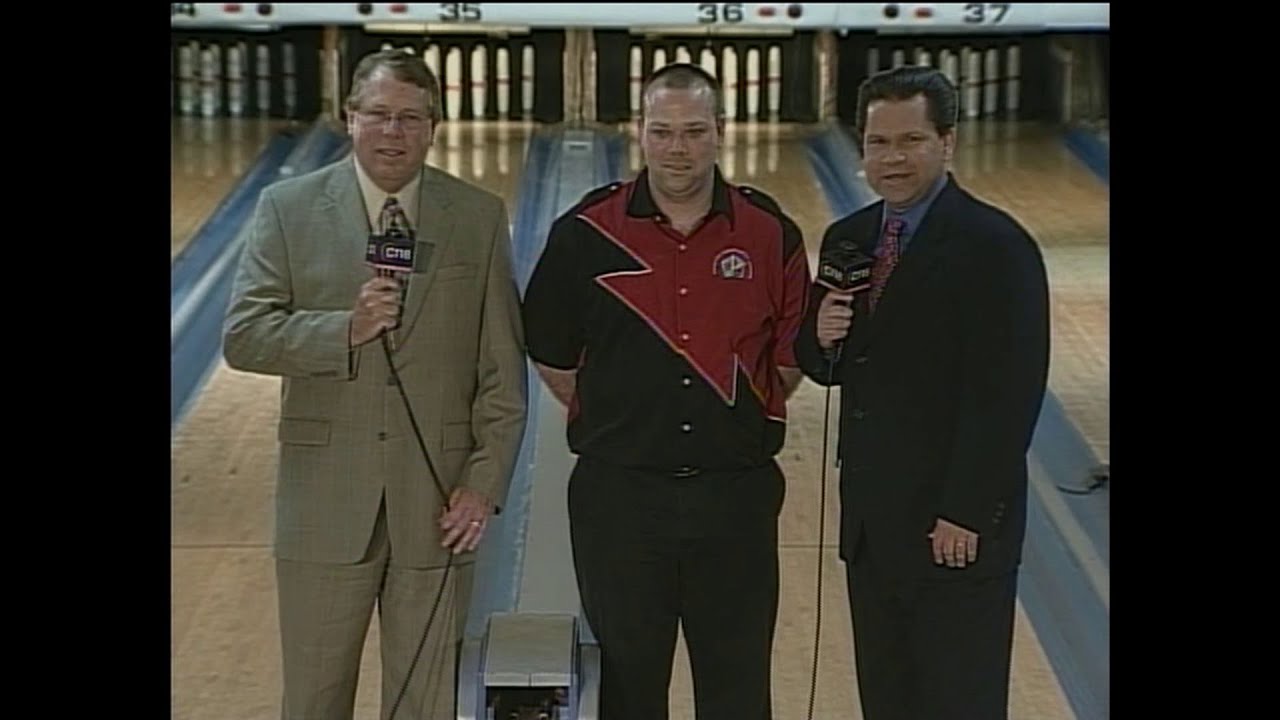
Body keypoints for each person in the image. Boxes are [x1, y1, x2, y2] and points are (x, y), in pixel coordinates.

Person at [222, 49, 527, 720]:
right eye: (380, 115)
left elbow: (503, 372)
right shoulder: (288, 208)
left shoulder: (475, 215)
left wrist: (485, 481)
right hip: (325, 504)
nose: (395, 133)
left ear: (434, 127)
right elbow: (244, 335)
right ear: (350, 118)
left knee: (427, 703)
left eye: (412, 118)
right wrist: (342, 330)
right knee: (314, 699)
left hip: (439, 502)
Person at [521, 63, 811, 720]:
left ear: (721, 132)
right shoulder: (585, 231)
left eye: (694, 131)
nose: (678, 148)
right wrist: (627, 418)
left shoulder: (770, 233)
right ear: (638, 134)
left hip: (733, 498)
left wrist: (726, 421)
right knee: (627, 690)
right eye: (662, 131)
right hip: (619, 501)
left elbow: (788, 359)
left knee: (738, 689)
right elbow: (551, 353)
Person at [794, 65, 1051, 720]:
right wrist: (819, 337)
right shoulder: (848, 238)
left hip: (953, 526)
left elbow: (1008, 394)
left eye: (911, 141)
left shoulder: (997, 247)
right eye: (878, 143)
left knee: (957, 700)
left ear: (948, 143)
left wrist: (965, 510)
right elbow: (828, 366)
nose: (892, 159)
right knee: (888, 698)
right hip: (873, 526)